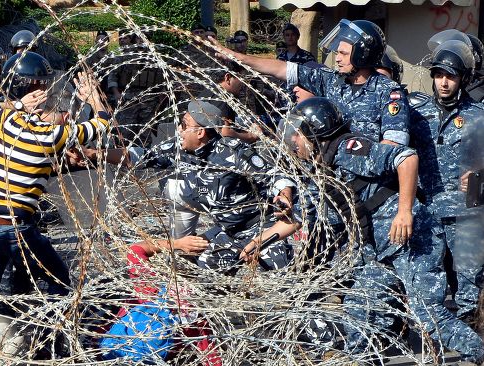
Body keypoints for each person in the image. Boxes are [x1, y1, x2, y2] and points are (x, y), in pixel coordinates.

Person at [281, 97, 484, 363]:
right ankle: (365, 359)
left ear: (315, 132)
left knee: (429, 315)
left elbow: (407, 158)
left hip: (414, 241)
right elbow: (295, 219)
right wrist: (253, 246)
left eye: (297, 135)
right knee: (359, 306)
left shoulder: (348, 149)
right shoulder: (319, 172)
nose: (292, 142)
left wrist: (404, 212)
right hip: (383, 251)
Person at [0, 51, 109, 365]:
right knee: (59, 281)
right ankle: (50, 345)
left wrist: (17, 105)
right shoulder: (52, 136)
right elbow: (100, 127)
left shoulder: (7, 121)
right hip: (14, 227)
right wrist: (94, 99)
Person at [129, 101, 296, 271]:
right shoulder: (181, 151)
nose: (179, 129)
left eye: (184, 124)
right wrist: (101, 155)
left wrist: (284, 194)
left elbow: (274, 175)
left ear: (200, 132)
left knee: (274, 270)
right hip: (228, 232)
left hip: (260, 228)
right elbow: (140, 156)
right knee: (194, 265)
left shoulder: (233, 152)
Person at [210, 19, 410, 146]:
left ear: (362, 54)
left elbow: (393, 143)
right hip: (332, 178)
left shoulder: (388, 92)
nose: (337, 58)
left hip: (368, 189)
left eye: (343, 53)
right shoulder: (331, 80)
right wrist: (236, 56)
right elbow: (281, 68)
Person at [409, 39, 484, 324]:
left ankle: (470, 340)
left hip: (465, 213)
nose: (443, 83)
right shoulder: (417, 115)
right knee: (430, 283)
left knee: (468, 282)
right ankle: (434, 337)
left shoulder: (478, 116)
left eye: (450, 76)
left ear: (463, 79)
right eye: (439, 75)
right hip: (427, 211)